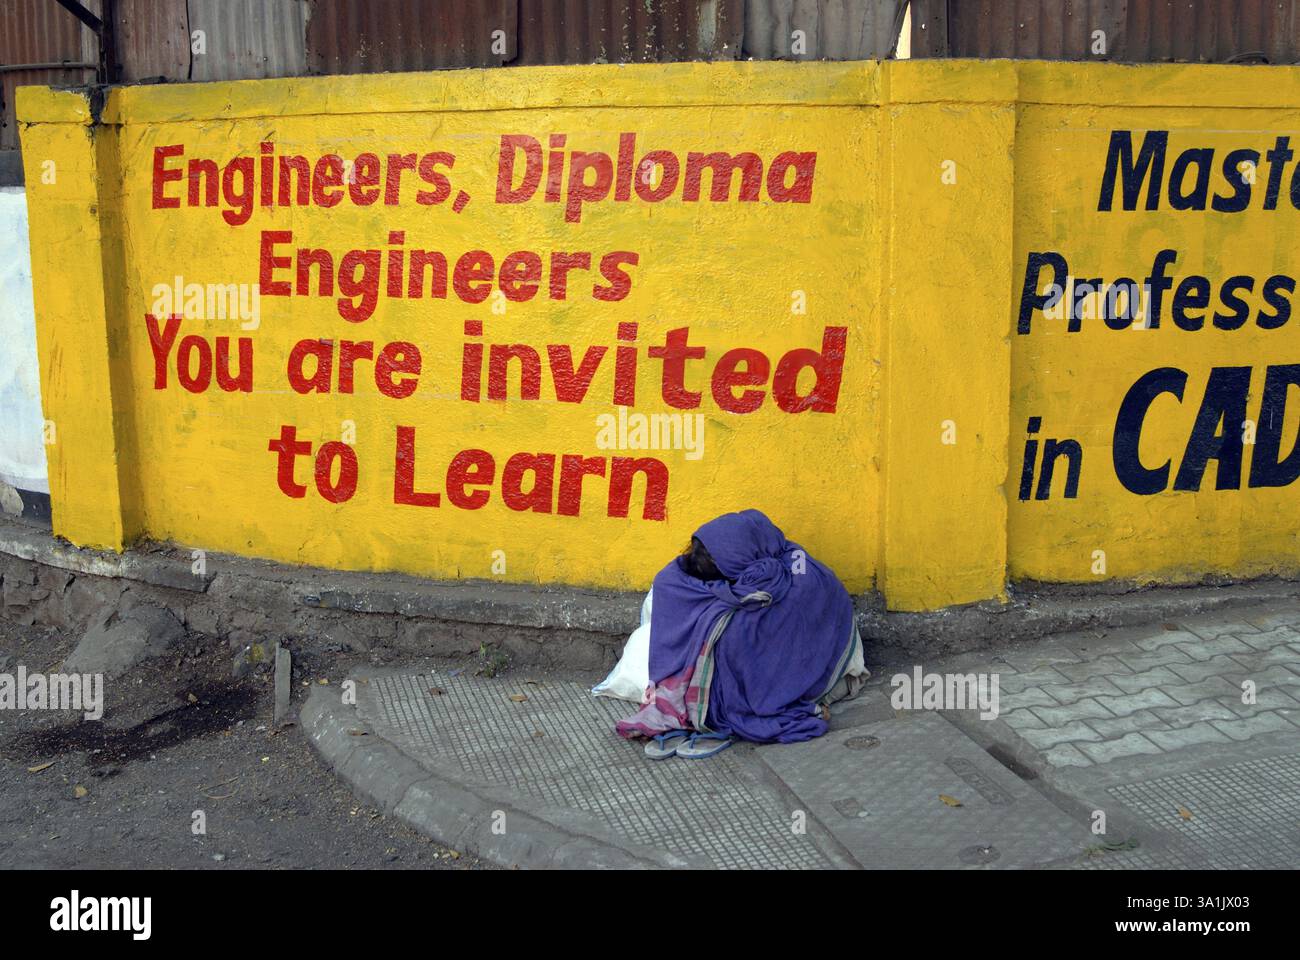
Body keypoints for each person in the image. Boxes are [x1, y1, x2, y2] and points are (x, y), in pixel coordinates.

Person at [616, 509, 867, 759]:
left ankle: (721, 709)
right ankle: (703, 705)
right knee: (686, 595)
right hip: (758, 610)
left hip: (807, 657)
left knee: (735, 636)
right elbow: (675, 580)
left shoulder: (802, 572)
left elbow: (778, 628)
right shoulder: (749, 549)